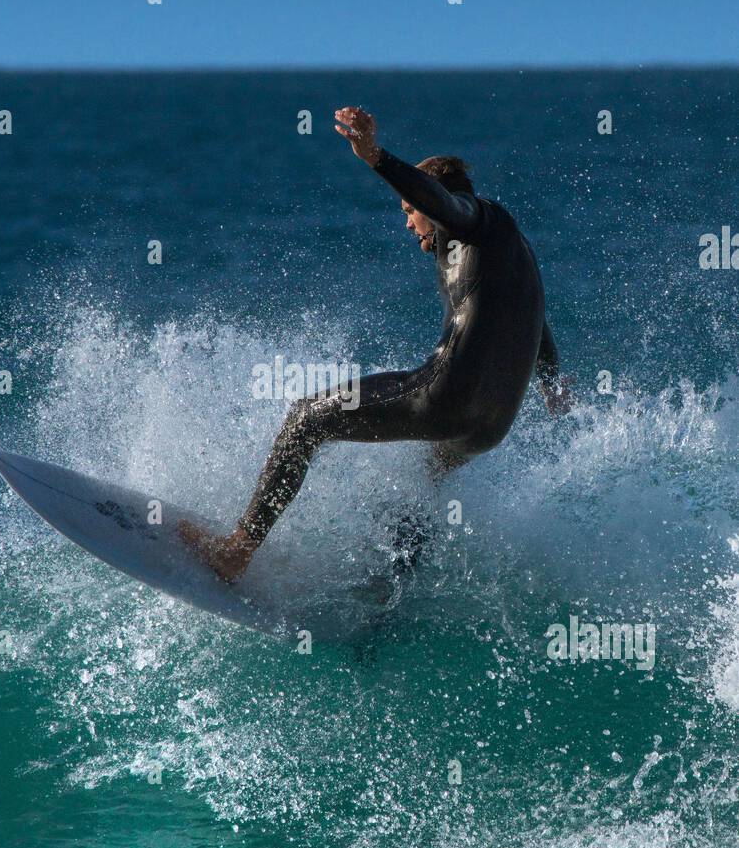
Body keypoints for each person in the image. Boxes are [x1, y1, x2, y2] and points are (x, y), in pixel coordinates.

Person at [179, 106, 571, 581]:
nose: (409, 223)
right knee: (423, 483)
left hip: (448, 397)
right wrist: (551, 384)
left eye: (411, 212)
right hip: (490, 427)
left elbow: (443, 205)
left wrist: (376, 157)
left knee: (306, 419)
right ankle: (389, 596)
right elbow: (535, 317)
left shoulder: (469, 218)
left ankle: (236, 551)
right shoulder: (514, 248)